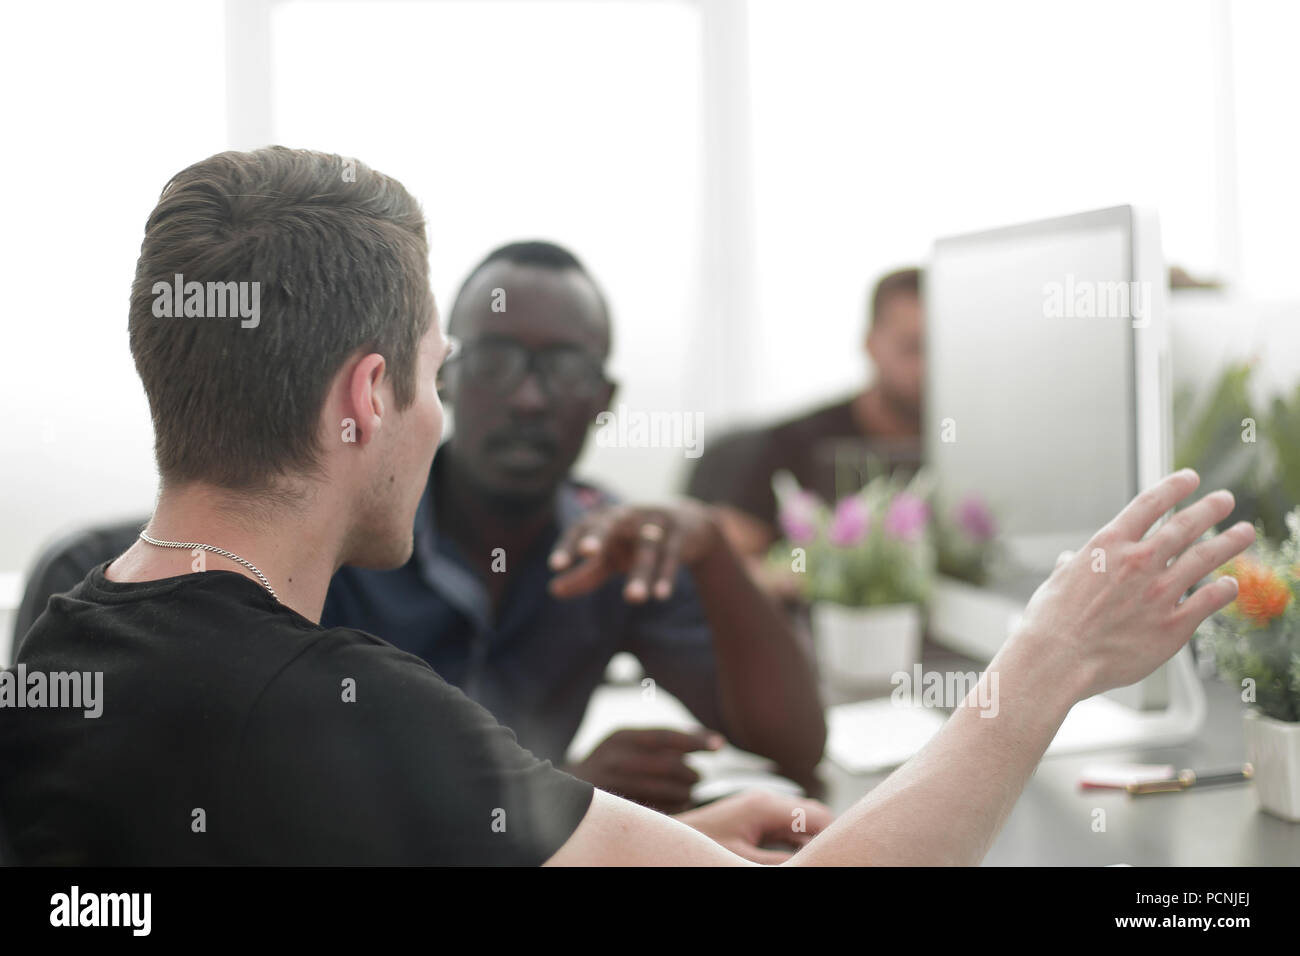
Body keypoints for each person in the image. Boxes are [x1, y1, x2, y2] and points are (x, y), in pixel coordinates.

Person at [0, 148, 1254, 867]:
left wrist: (620, 839)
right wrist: (1045, 660)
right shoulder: (336, 703)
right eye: (442, 372)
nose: (448, 415)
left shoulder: (66, 644)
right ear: (367, 394)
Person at [321, 241, 827, 811]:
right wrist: (554, 791)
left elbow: (794, 745)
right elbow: (300, 789)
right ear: (445, 377)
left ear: (603, 402)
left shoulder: (612, 550)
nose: (529, 398)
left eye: (565, 369)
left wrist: (714, 552)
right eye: (494, 359)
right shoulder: (352, 534)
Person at [688, 267, 924, 565]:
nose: (928, 368)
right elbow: (722, 566)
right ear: (871, 345)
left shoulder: (966, 448)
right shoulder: (783, 450)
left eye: (943, 350)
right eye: (912, 348)